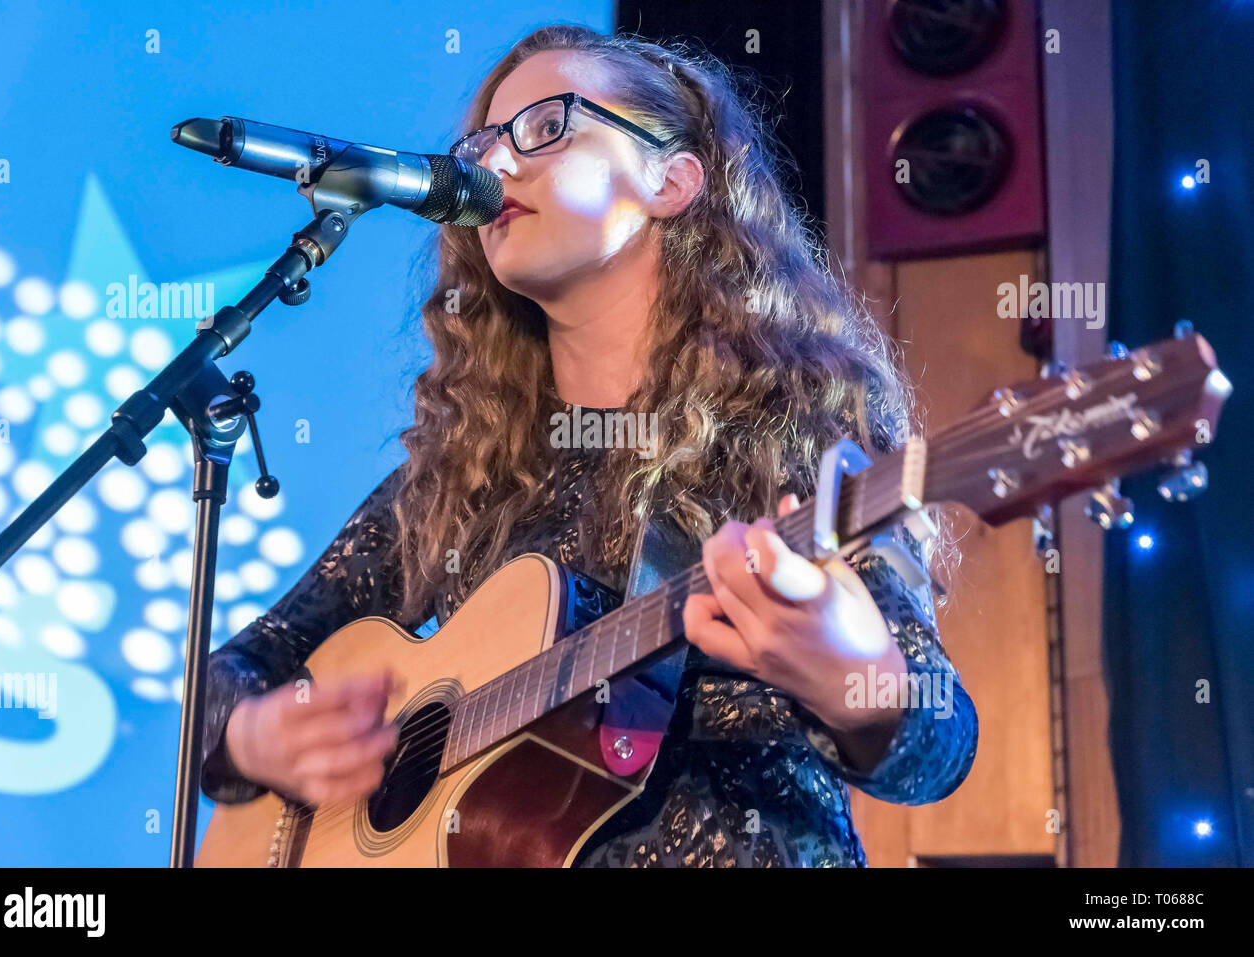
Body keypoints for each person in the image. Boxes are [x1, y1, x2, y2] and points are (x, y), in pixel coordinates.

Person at [200, 24, 977, 867]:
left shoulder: (799, 438)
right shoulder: (460, 478)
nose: (492, 166)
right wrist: (253, 734)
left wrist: (856, 677)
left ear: (674, 179)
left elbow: (943, 739)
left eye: (544, 126)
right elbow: (229, 675)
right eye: (483, 143)